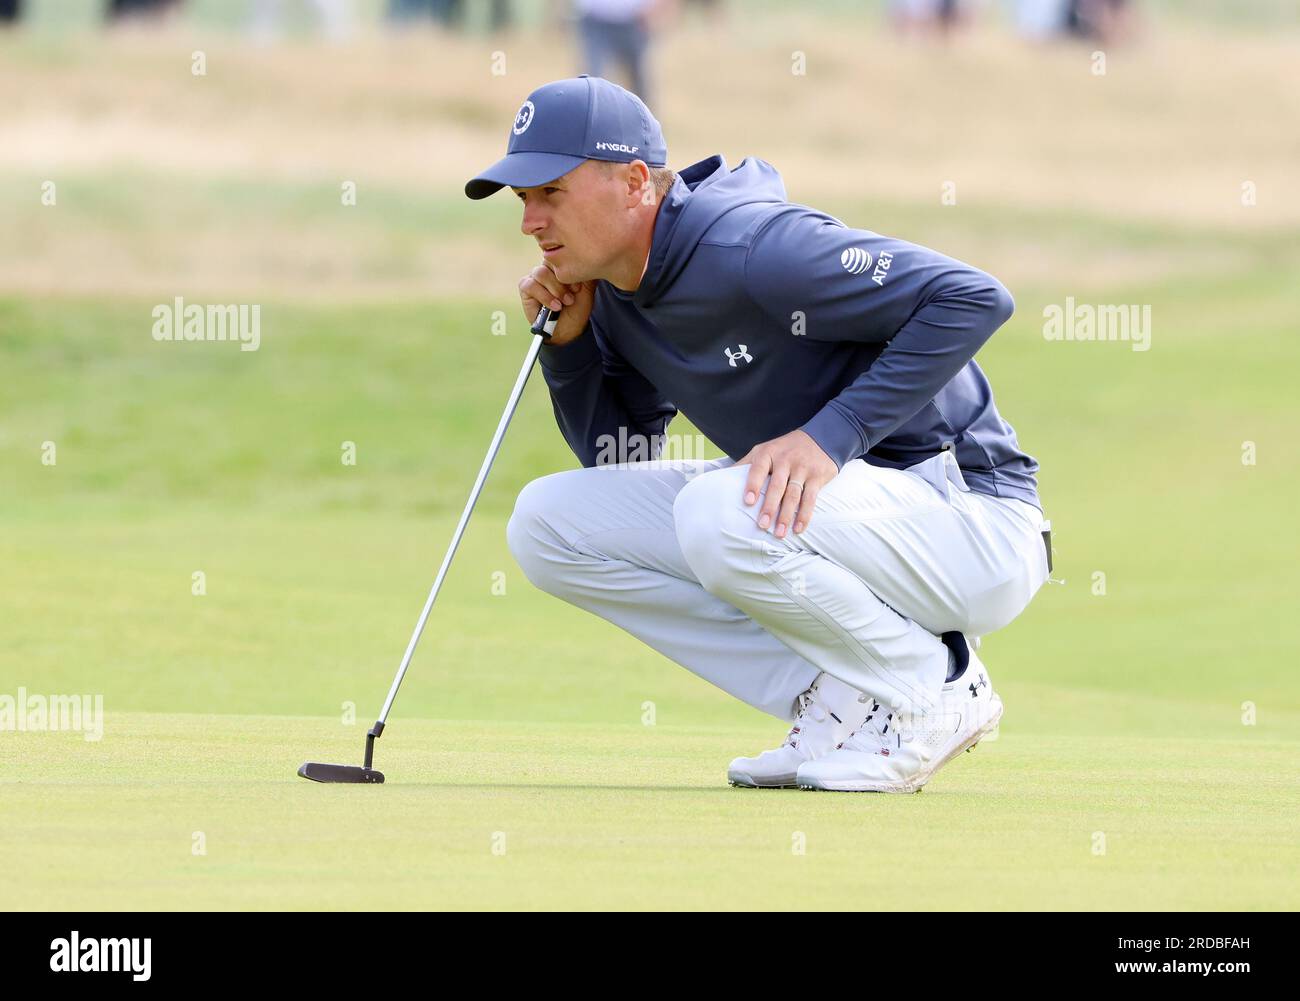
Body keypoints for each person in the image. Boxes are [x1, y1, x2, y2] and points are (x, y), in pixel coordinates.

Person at [465, 76, 1050, 793]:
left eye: (550, 192)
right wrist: (573, 349)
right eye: (523, 199)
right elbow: (617, 455)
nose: (530, 221)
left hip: (975, 521)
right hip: (843, 523)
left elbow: (972, 297)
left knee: (719, 510)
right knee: (548, 524)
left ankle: (938, 687)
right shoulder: (611, 291)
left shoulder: (755, 248)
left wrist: (828, 436)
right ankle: (840, 698)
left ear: (635, 182)